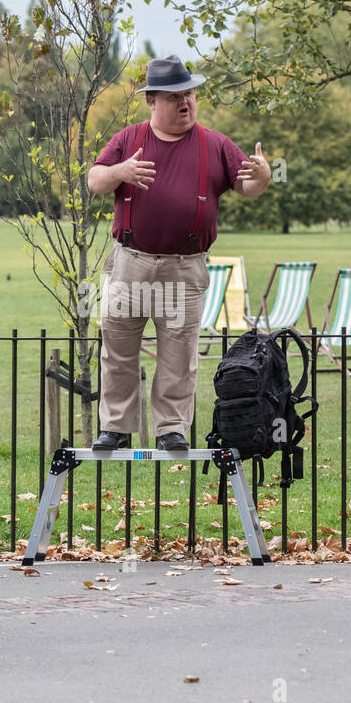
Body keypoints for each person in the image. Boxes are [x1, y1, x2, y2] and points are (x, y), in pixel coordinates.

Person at [87, 55, 272, 451]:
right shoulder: (128, 139)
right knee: (118, 349)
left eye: (189, 94)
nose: (186, 102)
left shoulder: (215, 143)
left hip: (184, 268)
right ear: (153, 101)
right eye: (175, 97)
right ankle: (115, 427)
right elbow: (94, 180)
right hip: (131, 263)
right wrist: (120, 172)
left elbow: (248, 186)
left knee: (178, 355)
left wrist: (263, 175)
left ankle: (171, 428)